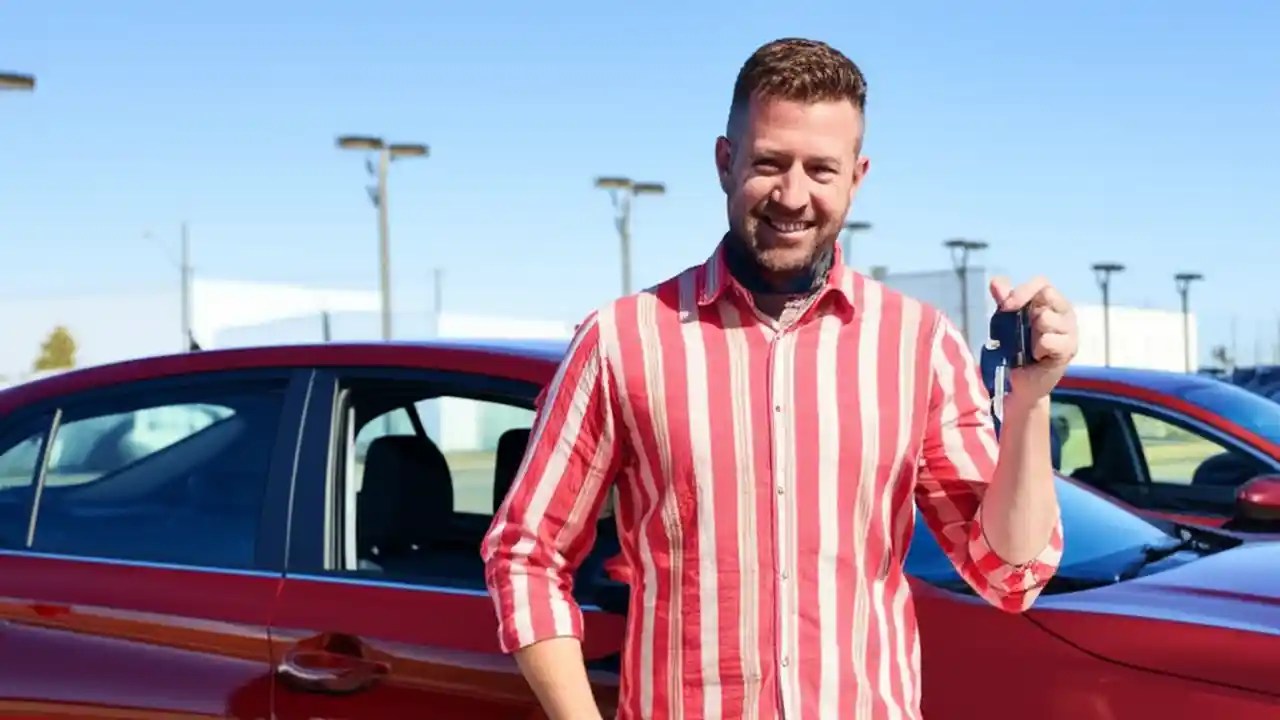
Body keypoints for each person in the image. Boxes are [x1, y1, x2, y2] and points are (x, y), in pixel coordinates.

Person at [482, 37, 1077, 720]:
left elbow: (1006, 575)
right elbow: (525, 552)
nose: (793, 195)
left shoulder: (918, 345)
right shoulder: (621, 340)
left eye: (822, 170)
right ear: (725, 161)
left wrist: (1030, 402)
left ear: (857, 177)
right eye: (770, 162)